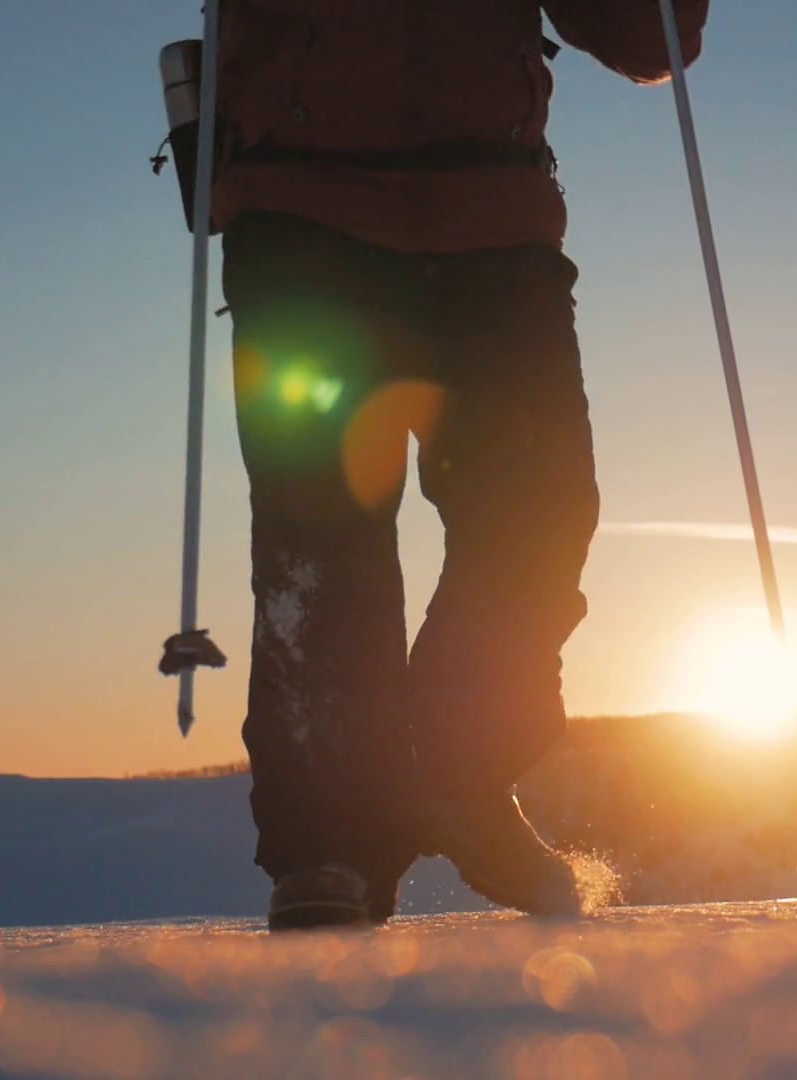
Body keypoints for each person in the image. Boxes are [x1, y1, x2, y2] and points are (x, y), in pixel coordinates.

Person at [203, 0, 710, 930]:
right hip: (311, 217)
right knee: (320, 539)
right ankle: (332, 844)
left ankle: (454, 773)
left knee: (537, 513)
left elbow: (648, 38)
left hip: (485, 227)